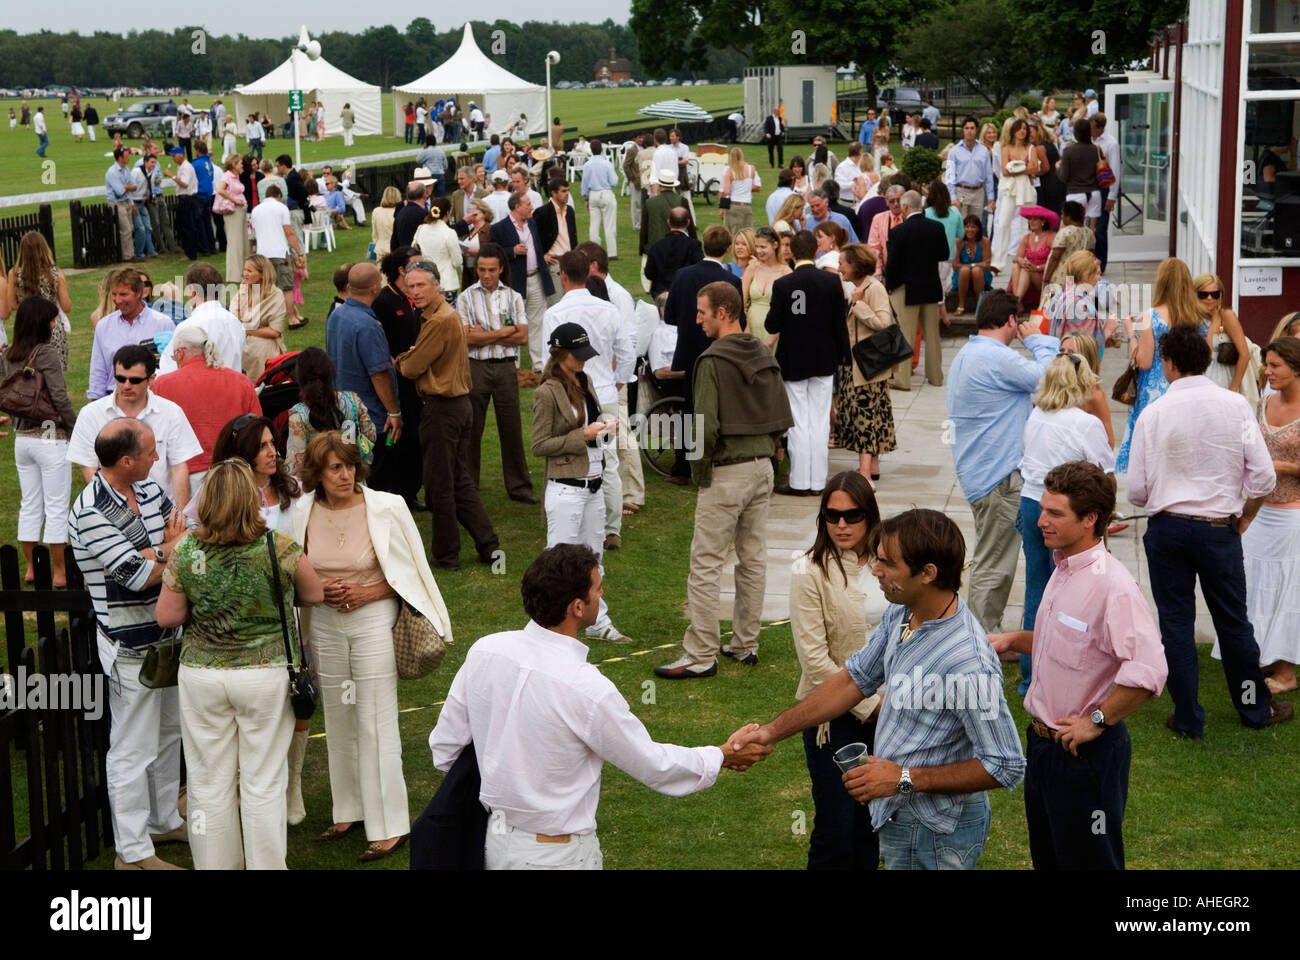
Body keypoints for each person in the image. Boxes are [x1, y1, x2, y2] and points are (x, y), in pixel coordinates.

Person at [430, 543, 770, 868]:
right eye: (597, 588)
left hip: (491, 842)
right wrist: (722, 755)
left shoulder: (485, 650)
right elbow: (652, 764)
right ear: (577, 607)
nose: (602, 594)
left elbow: (445, 747)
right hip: (557, 856)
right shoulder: (586, 688)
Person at [733, 508, 1026, 869]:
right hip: (901, 819)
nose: (875, 570)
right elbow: (852, 679)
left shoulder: (968, 663)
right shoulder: (904, 612)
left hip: (936, 834)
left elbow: (1005, 764)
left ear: (928, 573)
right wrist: (770, 732)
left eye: (888, 563)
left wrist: (903, 779)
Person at [989, 462, 1166, 869]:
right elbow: (1074, 648)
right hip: (1043, 748)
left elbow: (1149, 668)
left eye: (1054, 513)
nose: (1040, 520)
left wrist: (1097, 720)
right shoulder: (1062, 567)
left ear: (1089, 520)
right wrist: (1015, 640)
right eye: (1043, 509)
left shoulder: (1113, 587)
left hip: (1085, 757)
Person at [153, 458, 322, 869]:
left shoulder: (189, 549)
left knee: (209, 783)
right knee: (263, 782)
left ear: (207, 500)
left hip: (203, 676)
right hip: (265, 676)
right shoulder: (278, 546)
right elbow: (314, 593)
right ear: (251, 500)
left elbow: (167, 616)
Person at [1128, 324, 1292, 737]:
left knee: (1177, 624)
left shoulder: (1154, 413)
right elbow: (1264, 477)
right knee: (1235, 623)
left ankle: (1187, 718)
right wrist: (1246, 513)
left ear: (1168, 364)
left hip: (1167, 529)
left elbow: (1136, 491)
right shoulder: (1235, 406)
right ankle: (1254, 711)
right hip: (1219, 528)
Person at [655, 282, 794, 677]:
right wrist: (770, 458)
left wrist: (701, 476)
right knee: (753, 559)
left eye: (702, 313)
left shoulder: (712, 360)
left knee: (705, 565)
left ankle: (700, 655)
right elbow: (782, 418)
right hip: (762, 468)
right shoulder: (763, 353)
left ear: (724, 312)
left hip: (727, 473)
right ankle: (745, 644)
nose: (697, 320)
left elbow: (703, 427)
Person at [68, 419, 189, 869]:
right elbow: (136, 577)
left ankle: (161, 822)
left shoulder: (151, 491)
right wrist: (166, 549)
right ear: (125, 461)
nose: (158, 459)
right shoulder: (90, 512)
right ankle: (133, 855)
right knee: (133, 749)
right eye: (151, 453)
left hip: (168, 637)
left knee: (169, 734)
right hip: (129, 647)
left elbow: (183, 534)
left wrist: (162, 549)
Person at [947, 291, 1059, 636]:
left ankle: (984, 633)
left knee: (989, 559)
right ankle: (983, 640)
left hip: (981, 473)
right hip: (998, 479)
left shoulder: (969, 353)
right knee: (996, 566)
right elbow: (1048, 377)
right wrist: (1039, 340)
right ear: (1011, 321)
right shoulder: (996, 357)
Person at [790, 472, 884, 869]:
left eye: (852, 515)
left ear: (870, 515)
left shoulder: (891, 562)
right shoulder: (807, 570)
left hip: (893, 712)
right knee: (836, 828)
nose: (841, 525)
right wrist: (871, 706)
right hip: (833, 718)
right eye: (832, 516)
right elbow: (814, 661)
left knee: (873, 826)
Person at [1014, 355, 1116, 693]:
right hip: (1067, 512)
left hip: (1031, 504)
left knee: (1036, 588)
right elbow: (1106, 473)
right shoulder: (1085, 423)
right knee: (1078, 590)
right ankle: (1070, 668)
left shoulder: (1036, 416)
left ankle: (1030, 677)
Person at [396, 260, 501, 569]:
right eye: (411, 286)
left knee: (440, 485)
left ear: (436, 285)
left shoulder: (440, 320)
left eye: (420, 285)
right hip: (457, 407)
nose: (415, 292)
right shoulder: (440, 316)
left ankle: (446, 555)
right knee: (458, 481)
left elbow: (411, 367)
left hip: (442, 410)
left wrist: (402, 357)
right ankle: (488, 545)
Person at [532, 322, 632, 643]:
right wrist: (582, 436)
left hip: (594, 485)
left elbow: (592, 421)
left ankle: (598, 621)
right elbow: (539, 445)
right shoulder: (546, 392)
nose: (584, 361)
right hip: (565, 488)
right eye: (578, 355)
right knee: (557, 562)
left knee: (594, 560)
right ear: (560, 354)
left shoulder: (584, 380)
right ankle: (547, 627)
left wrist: (604, 425)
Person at [541, 251, 635, 555]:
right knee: (607, 461)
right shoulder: (608, 309)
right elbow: (627, 350)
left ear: (563, 275)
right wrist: (618, 378)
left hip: (573, 394)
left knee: (570, 455)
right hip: (604, 392)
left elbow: (547, 360)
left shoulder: (553, 313)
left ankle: (581, 520)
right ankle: (611, 528)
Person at [1237, 337, 1300, 695]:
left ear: (1296, 368)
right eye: (1267, 364)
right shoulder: (1262, 403)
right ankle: (1261, 659)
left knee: (1289, 591)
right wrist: (1246, 513)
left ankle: (1287, 672)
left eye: (1275, 365)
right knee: (1256, 586)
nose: (1268, 371)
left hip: (1294, 515)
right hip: (1261, 510)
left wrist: (1284, 467)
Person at [765, 230, 848, 497]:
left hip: (794, 359)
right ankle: (818, 481)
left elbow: (772, 325)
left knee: (799, 421)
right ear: (816, 252)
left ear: (791, 252)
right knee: (821, 420)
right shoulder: (831, 282)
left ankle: (801, 481)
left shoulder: (784, 285)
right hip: (824, 359)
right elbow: (840, 325)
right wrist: (844, 356)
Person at [2, 298, 78, 586]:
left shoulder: (8, 354)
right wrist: (75, 426)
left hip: (22, 439)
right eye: (51, 319)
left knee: (30, 504)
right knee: (57, 505)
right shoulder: (46, 352)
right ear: (41, 322)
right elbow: (59, 397)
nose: (55, 323)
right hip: (49, 434)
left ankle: (31, 569)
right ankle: (59, 572)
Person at [69, 344, 203, 506]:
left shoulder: (171, 413)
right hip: (112, 511)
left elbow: (179, 467)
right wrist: (111, 507)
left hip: (162, 509)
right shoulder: (91, 414)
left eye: (134, 380)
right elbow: (89, 467)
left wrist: (180, 518)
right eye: (120, 378)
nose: (126, 385)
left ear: (151, 379)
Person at [459, 242, 536, 503]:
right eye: (481, 269)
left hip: (505, 369)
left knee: (511, 428)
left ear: (501, 269)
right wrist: (504, 332)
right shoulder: (465, 297)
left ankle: (519, 487)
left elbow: (523, 336)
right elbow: (467, 339)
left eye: (491, 269)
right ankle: (469, 487)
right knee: (472, 429)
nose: (486, 274)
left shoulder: (513, 296)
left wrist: (486, 335)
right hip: (476, 368)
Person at [1116, 257, 1206, 472]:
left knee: (1153, 457)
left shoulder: (1152, 315)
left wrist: (1131, 333)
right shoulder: (1198, 316)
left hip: (1155, 392)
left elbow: (1144, 362)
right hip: (1190, 388)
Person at [153, 325, 260, 490]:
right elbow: (257, 431)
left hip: (185, 476)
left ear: (180, 353)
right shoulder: (241, 382)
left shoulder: (162, 384)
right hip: (235, 475)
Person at [324, 264, 401, 470]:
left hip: (342, 411)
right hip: (370, 417)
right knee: (371, 474)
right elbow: (379, 374)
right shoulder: (368, 325)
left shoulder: (336, 315)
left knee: (351, 468)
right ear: (375, 288)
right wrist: (393, 412)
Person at [837, 244, 897, 483]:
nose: (840, 268)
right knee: (873, 413)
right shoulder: (860, 287)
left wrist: (859, 305)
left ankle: (864, 473)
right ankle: (872, 466)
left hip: (868, 364)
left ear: (855, 265)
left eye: (843, 263)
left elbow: (884, 322)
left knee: (865, 416)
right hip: (861, 364)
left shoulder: (873, 289)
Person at [885, 191, 950, 390]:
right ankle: (935, 376)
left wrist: (890, 287)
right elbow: (944, 254)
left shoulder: (898, 231)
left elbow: (893, 265)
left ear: (905, 207)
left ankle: (903, 380)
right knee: (932, 335)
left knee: (905, 334)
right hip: (931, 286)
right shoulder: (937, 227)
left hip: (906, 288)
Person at [489, 191, 554, 373]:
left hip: (536, 279)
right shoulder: (499, 228)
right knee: (512, 324)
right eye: (528, 204)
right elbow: (492, 253)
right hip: (514, 283)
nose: (532, 207)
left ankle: (538, 365)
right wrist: (512, 251)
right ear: (517, 207)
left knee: (537, 322)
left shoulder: (532, 223)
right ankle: (513, 364)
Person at [86, 268, 175, 399]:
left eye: (123, 294)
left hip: (153, 400)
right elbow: (98, 370)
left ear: (139, 293)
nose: (117, 300)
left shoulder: (163, 323)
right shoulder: (104, 326)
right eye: (114, 294)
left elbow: (172, 368)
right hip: (114, 400)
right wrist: (96, 401)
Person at [3, 231, 72, 371]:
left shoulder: (14, 274)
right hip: (51, 327)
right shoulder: (55, 273)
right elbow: (66, 306)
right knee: (54, 375)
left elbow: (13, 304)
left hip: (26, 329)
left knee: (30, 374)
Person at [990, 120, 1040, 274]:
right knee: (1003, 223)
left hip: (1026, 188)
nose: (1022, 131)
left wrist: (1015, 167)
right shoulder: (1006, 148)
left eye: (1025, 128)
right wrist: (1025, 167)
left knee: (1028, 225)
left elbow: (1035, 168)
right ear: (1013, 131)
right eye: (1019, 128)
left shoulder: (1031, 148)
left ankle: (1027, 258)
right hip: (1010, 189)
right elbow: (1005, 171)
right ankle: (997, 262)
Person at [1194, 272, 1253, 397]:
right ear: (1195, 295)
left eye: (1214, 294)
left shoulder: (1226, 316)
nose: (1209, 298)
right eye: (1203, 294)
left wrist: (1233, 389)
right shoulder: (1191, 318)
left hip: (1222, 381)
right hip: (1198, 381)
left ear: (1220, 295)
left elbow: (1245, 355)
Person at [233, 255, 287, 382]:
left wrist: (246, 330)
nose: (245, 274)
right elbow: (234, 318)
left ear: (262, 274)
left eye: (249, 271)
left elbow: (274, 331)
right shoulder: (244, 289)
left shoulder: (275, 295)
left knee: (259, 349)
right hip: (242, 343)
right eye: (244, 270)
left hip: (263, 346)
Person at [944, 117, 996, 225]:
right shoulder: (954, 151)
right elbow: (950, 177)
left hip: (978, 192)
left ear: (976, 130)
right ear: (963, 130)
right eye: (966, 128)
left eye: (972, 128)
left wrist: (990, 196)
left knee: (976, 225)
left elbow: (988, 175)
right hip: (961, 191)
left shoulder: (983, 151)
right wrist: (953, 197)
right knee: (960, 225)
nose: (969, 131)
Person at [412, 198, 463, 306]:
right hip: (447, 283)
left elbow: (414, 250)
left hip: (426, 281)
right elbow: (457, 262)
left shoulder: (421, 229)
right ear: (448, 213)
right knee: (448, 319)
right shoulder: (449, 233)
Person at [645, 207, 703, 297]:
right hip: (685, 292)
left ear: (668, 222)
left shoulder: (657, 246)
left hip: (661, 293)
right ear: (688, 222)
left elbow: (649, 273)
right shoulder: (693, 245)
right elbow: (699, 270)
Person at [1041, 201, 1095, 297]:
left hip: (1061, 276)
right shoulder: (1089, 233)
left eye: (1062, 214)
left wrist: (1046, 279)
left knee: (1054, 304)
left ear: (1069, 216)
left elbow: (1055, 257)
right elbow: (1090, 256)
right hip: (1080, 275)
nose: (1061, 217)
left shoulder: (1065, 232)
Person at [1056, 119, 1102, 228]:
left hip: (1075, 194)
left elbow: (1064, 177)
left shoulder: (1068, 151)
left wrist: (1058, 168)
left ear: (1075, 133)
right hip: (1094, 193)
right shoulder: (1097, 150)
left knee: (1068, 230)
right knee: (1090, 232)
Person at [579, 138, 619, 258]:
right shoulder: (607, 163)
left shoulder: (587, 165)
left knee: (594, 225)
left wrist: (586, 198)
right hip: (605, 192)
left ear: (591, 150)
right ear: (601, 150)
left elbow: (584, 184)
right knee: (609, 224)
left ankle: (594, 253)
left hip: (593, 195)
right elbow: (614, 181)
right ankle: (612, 253)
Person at [1009, 207, 1056, 306]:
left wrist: (1037, 268)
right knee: (1016, 266)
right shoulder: (1027, 238)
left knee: (1026, 269)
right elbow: (1016, 258)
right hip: (1029, 272)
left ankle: (1016, 302)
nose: (1031, 221)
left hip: (1044, 274)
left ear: (1043, 221)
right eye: (1030, 219)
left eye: (1035, 219)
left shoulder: (1051, 237)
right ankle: (1018, 302)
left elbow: (1055, 261)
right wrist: (1021, 260)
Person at [214, 155, 248, 283]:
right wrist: (234, 200)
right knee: (235, 242)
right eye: (240, 163)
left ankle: (243, 271)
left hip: (241, 210)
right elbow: (220, 190)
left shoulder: (236, 177)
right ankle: (234, 275)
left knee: (243, 242)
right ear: (234, 164)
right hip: (233, 211)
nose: (242, 165)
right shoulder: (227, 176)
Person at [952, 215, 992, 316]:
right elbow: (955, 266)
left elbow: (987, 265)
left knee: (976, 271)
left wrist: (970, 266)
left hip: (981, 276)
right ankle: (961, 305)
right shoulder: (959, 242)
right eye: (967, 226)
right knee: (965, 270)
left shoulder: (985, 241)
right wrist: (975, 264)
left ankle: (980, 304)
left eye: (973, 227)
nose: (970, 230)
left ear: (978, 228)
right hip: (962, 276)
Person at [106, 146, 140, 263]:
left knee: (129, 228)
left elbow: (134, 186)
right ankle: (127, 256)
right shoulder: (112, 172)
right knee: (125, 229)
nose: (129, 158)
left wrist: (126, 186)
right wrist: (126, 186)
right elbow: (119, 192)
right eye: (127, 156)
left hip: (126, 201)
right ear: (120, 158)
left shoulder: (126, 169)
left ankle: (130, 254)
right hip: (116, 203)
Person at [718, 146, 760, 236]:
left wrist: (721, 207)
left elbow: (726, 191)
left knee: (733, 235)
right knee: (748, 234)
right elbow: (757, 185)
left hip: (733, 206)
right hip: (747, 206)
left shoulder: (728, 171)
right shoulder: (751, 169)